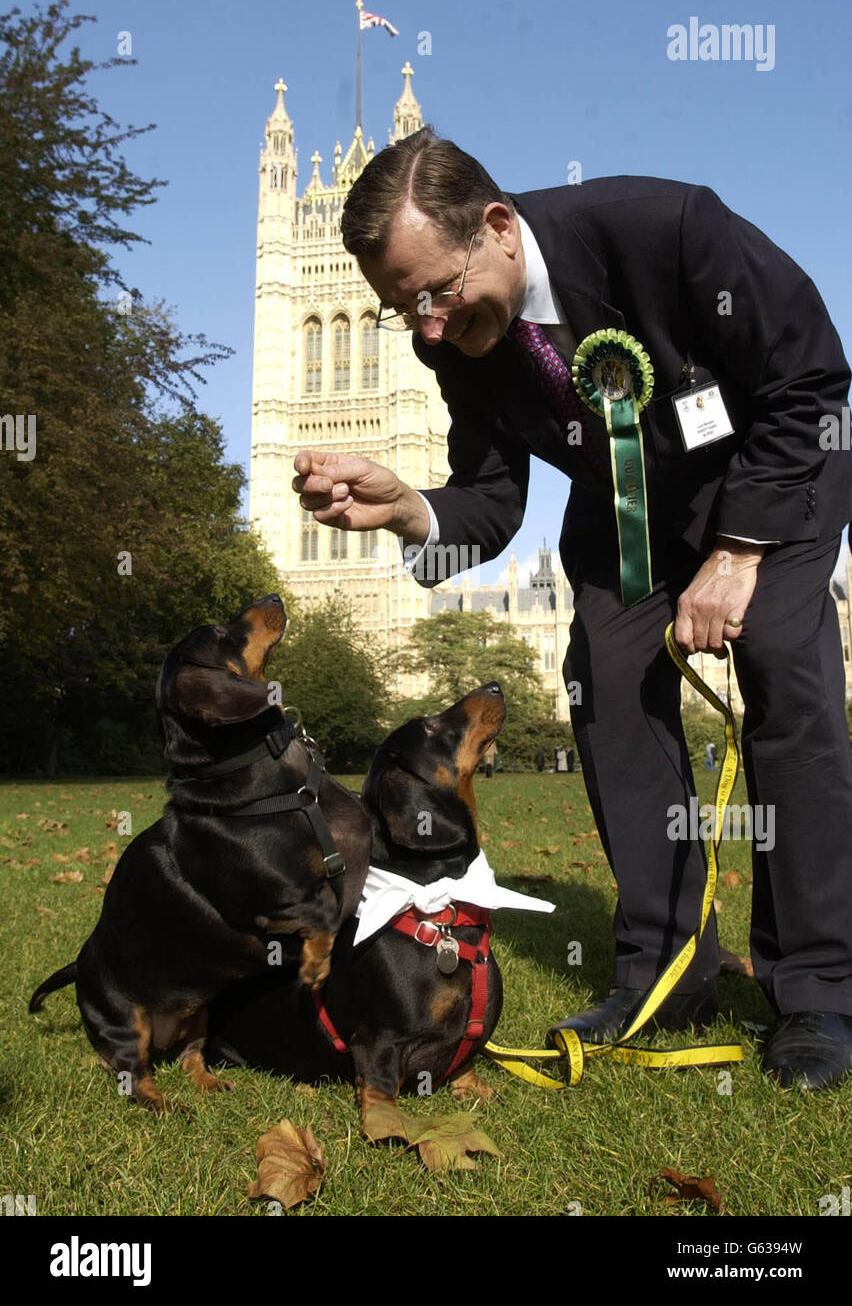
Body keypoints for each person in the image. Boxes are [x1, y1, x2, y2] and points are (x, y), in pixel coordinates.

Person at [293, 127, 852, 1091]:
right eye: (401, 310)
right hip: (630, 508)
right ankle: (665, 972)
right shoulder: (457, 342)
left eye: (434, 293)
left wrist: (738, 550)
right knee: (607, 683)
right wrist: (412, 508)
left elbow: (810, 380)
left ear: (499, 228)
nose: (425, 327)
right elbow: (493, 498)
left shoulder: (668, 227)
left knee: (783, 676)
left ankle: (818, 992)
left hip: (776, 471)